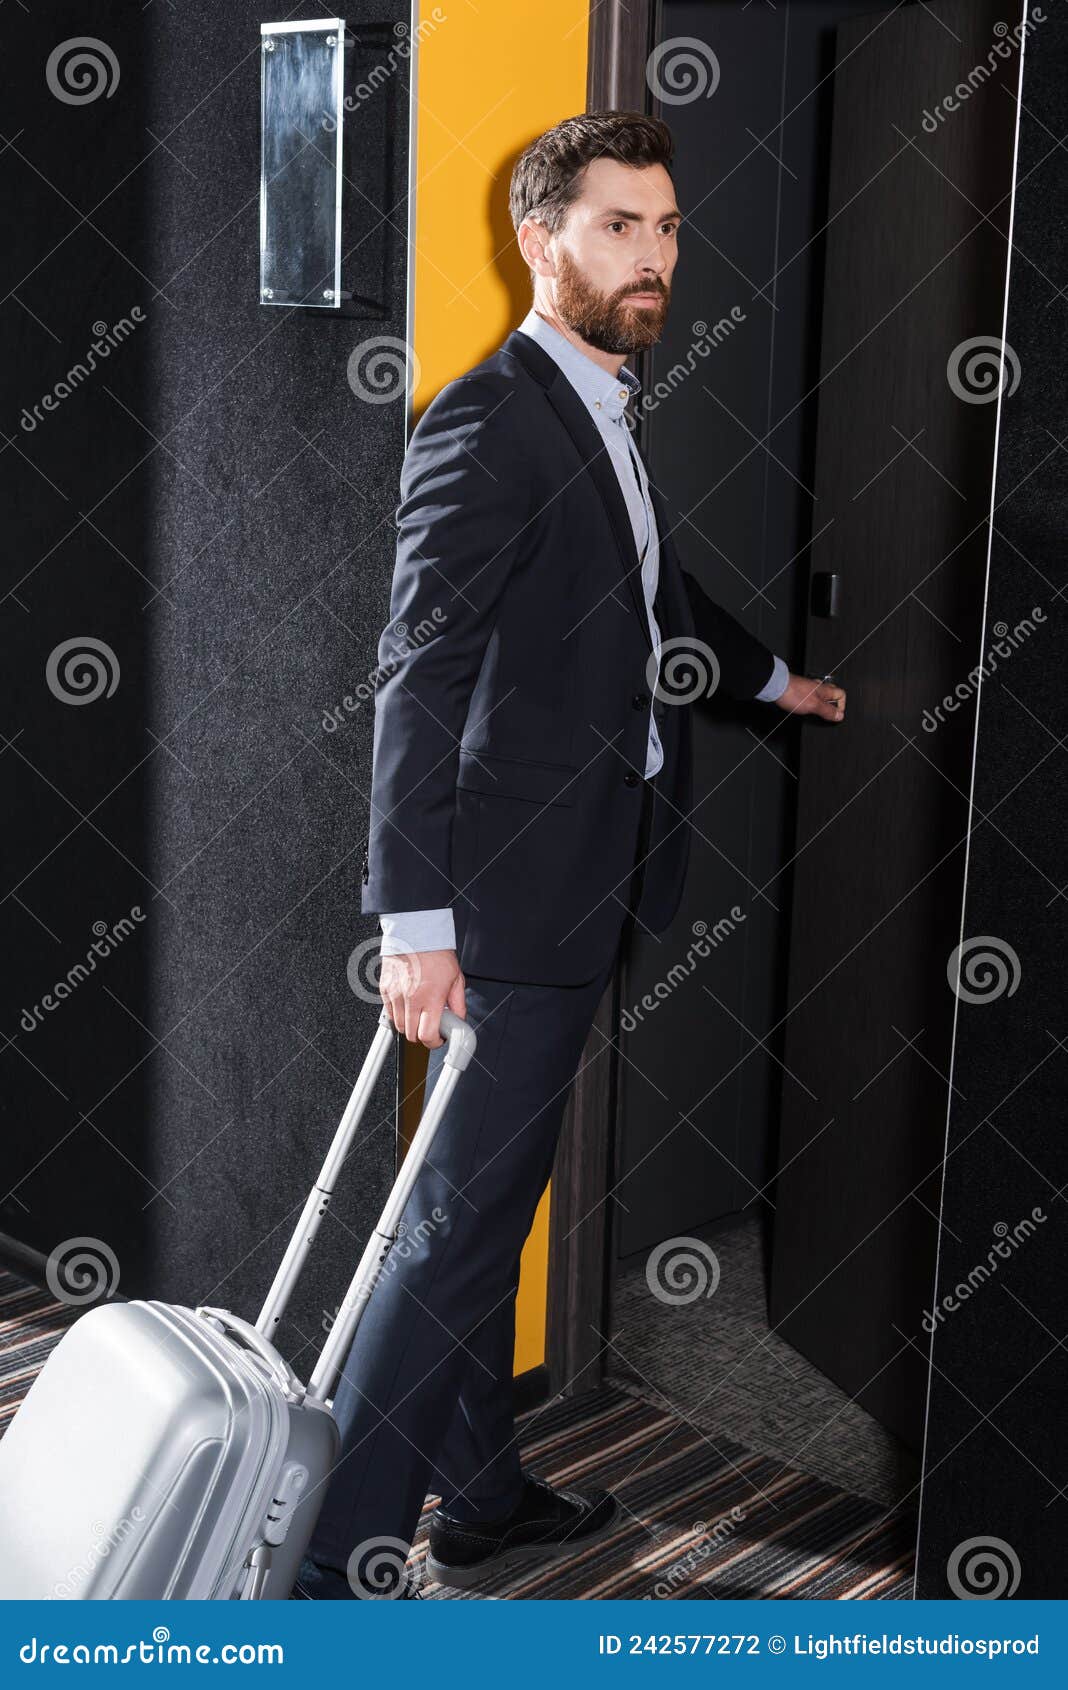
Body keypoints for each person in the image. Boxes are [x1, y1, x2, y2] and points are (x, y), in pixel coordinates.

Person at [298, 110, 846, 1601]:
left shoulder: (599, 408)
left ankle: (474, 1495)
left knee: (482, 1208)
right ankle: (330, 1570)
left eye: (667, 230)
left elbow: (656, 594)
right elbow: (418, 668)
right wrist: (413, 918)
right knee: (458, 1232)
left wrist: (776, 680)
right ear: (542, 240)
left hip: (581, 881)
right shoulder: (490, 417)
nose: (656, 258)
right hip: (501, 905)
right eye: (622, 227)